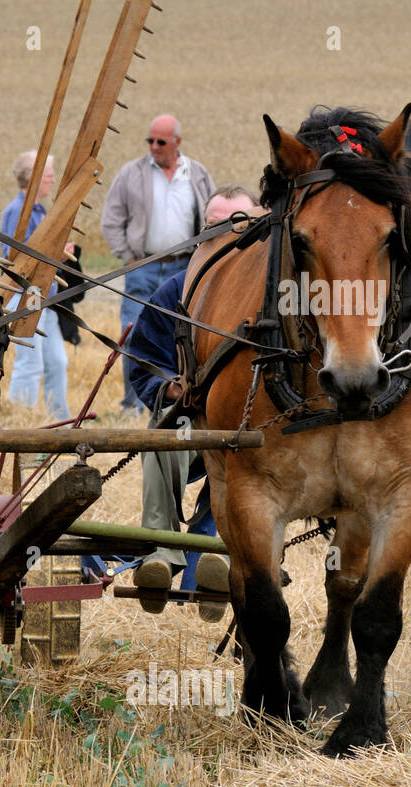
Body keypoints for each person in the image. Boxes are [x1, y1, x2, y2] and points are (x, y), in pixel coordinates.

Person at [128, 185, 258, 620]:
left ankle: (215, 561)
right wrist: (170, 389)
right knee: (164, 437)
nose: (222, 234)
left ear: (257, 227)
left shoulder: (270, 299)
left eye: (235, 224)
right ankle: (160, 556)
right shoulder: (175, 293)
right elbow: (144, 361)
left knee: (246, 457)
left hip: (242, 430)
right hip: (191, 421)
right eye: (213, 226)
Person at [101, 114, 215, 416]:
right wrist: (128, 256)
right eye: (149, 140)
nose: (154, 146)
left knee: (188, 334)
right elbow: (111, 220)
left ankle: (182, 396)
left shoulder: (197, 174)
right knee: (136, 331)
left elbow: (213, 216)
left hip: (186, 268)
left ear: (177, 142)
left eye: (160, 141)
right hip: (144, 267)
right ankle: (134, 403)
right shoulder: (131, 174)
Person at [1, 150, 73, 421]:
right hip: (25, 296)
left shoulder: (39, 210)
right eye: (49, 175)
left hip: (45, 298)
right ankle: (23, 420)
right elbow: (14, 257)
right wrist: (57, 253)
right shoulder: (17, 211)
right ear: (32, 179)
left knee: (57, 362)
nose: (53, 181)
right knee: (30, 363)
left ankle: (59, 421)